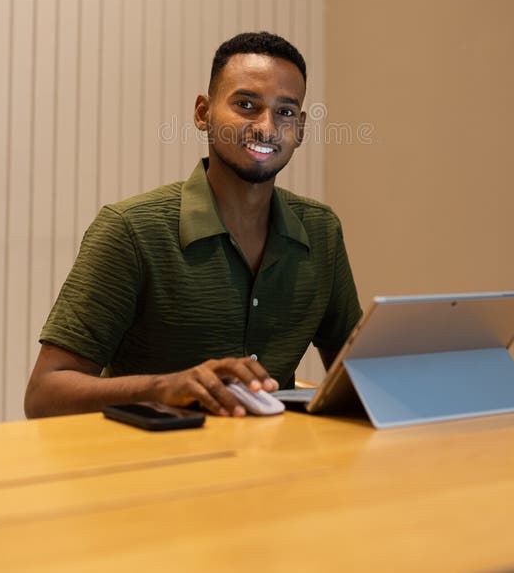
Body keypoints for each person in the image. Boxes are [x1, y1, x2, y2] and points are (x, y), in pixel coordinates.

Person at [24, 32, 362, 418]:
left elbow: (356, 378)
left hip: (275, 465)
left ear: (300, 129)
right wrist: (164, 386)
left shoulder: (321, 231)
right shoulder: (130, 230)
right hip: (151, 466)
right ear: (203, 113)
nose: (267, 128)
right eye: (247, 104)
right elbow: (43, 394)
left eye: (285, 112)